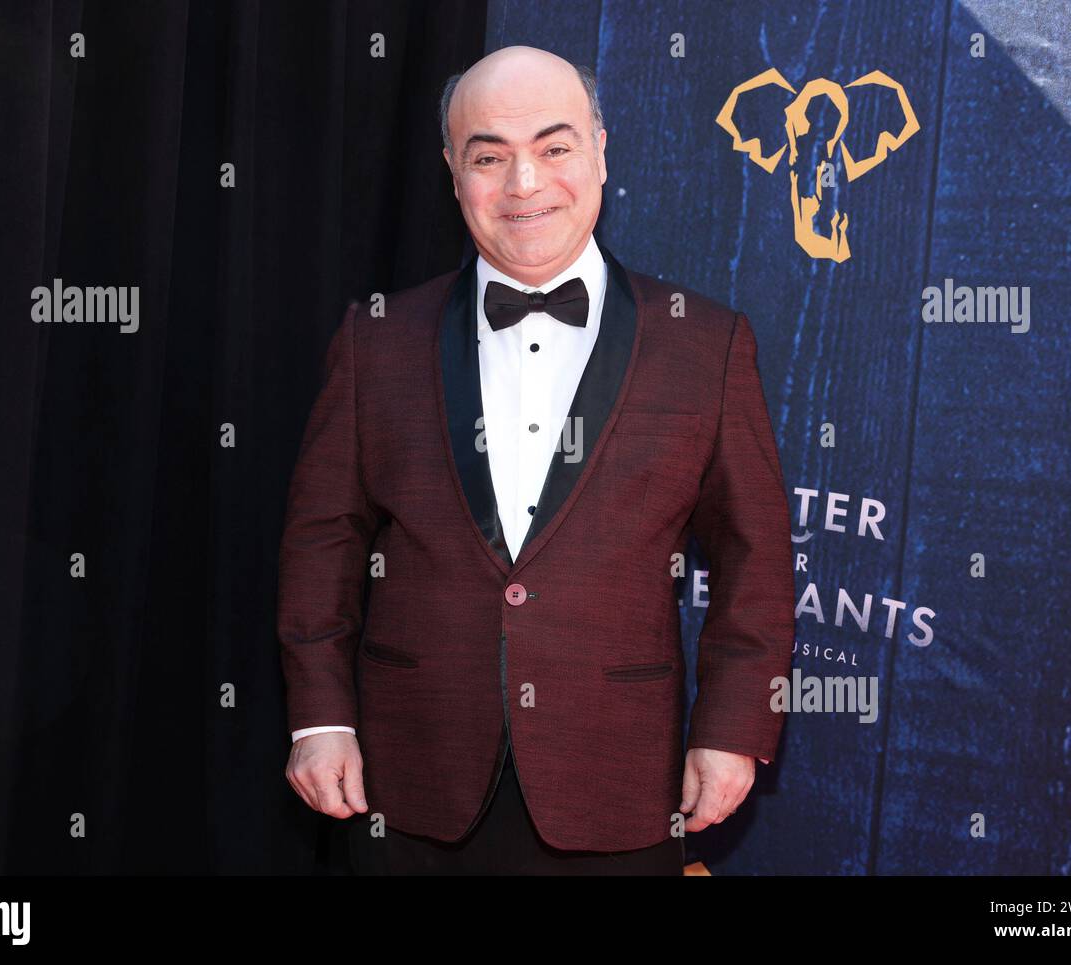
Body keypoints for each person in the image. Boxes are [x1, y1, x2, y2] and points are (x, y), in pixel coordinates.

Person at [278, 45, 794, 875]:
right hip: (407, 782)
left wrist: (732, 729)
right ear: (453, 173)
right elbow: (321, 538)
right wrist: (319, 716)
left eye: (553, 148)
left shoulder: (706, 343)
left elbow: (755, 556)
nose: (523, 184)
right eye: (489, 156)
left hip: (622, 781)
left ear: (599, 149)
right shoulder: (375, 338)